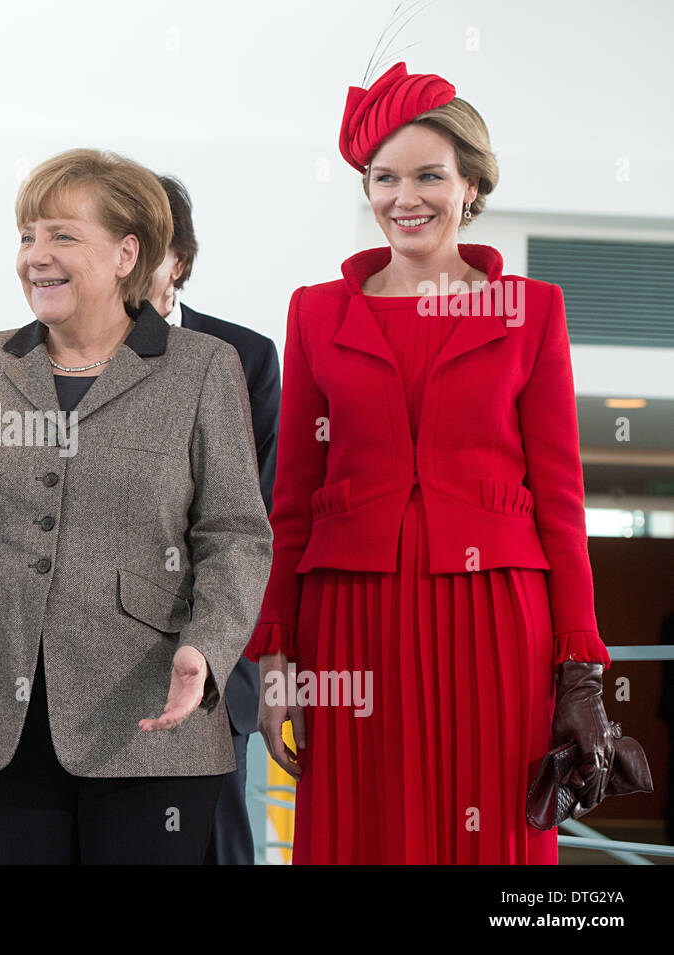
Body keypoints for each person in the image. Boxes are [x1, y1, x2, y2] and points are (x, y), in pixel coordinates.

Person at [247, 62, 614, 864]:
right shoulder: (316, 313)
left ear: (471, 184)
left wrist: (580, 668)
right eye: (384, 177)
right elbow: (292, 500)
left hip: (496, 622)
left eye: (428, 175)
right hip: (350, 620)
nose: (403, 197)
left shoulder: (532, 311)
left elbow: (561, 502)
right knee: (363, 829)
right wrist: (276, 660)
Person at [0, 148, 273, 864]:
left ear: (129, 252)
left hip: (151, 726)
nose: (37, 255)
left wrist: (207, 646)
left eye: (62, 235)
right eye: (28, 236)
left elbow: (236, 536)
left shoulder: (204, 367)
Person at [147, 174, 280, 865]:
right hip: (89, 681)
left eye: (151, 244)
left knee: (218, 851)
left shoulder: (243, 357)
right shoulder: (59, 355)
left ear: (181, 259)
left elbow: (247, 525)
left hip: (214, 675)